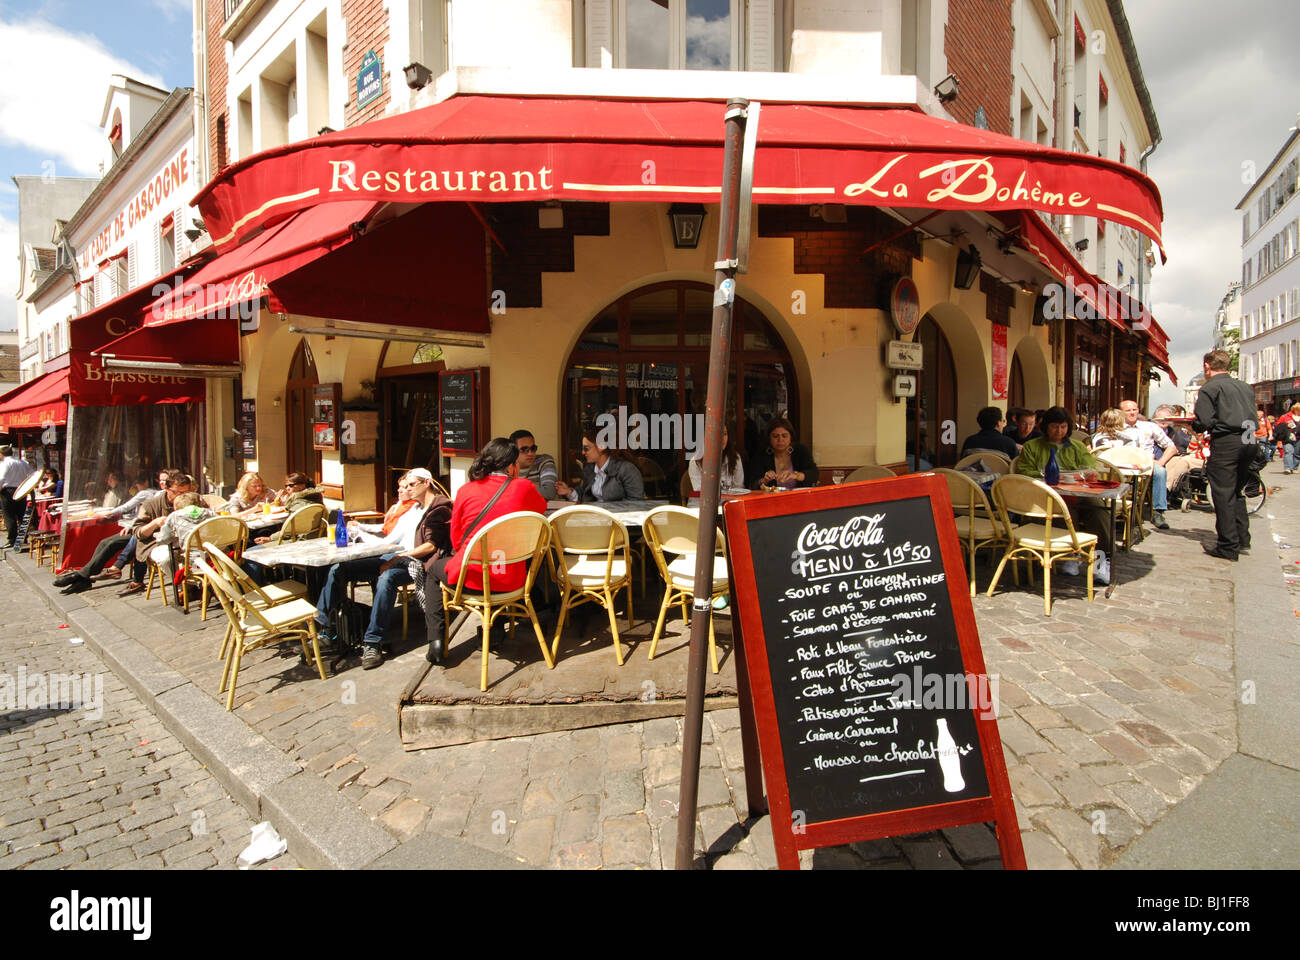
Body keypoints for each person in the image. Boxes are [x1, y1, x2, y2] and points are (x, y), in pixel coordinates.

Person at [421, 438, 548, 664]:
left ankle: (437, 642)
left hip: (471, 579)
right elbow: (540, 508)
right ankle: (496, 628)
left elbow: (457, 539)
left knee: (432, 570)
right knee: (508, 560)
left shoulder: (466, 490)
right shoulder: (523, 487)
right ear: (511, 466)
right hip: (512, 580)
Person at [314, 470, 438, 670]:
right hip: (394, 555)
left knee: (386, 578)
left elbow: (431, 545)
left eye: (410, 485)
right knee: (339, 568)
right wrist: (361, 531)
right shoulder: (412, 510)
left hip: (414, 561)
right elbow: (389, 540)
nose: (405, 489)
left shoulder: (436, 508)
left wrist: (397, 558)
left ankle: (373, 642)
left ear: (427, 483)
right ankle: (326, 628)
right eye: (404, 486)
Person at [1193, 349, 1258, 560]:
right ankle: (1242, 538)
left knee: (1222, 492)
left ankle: (1228, 546)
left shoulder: (1210, 387)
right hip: (1249, 439)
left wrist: (1193, 424)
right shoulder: (1244, 386)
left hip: (1228, 441)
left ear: (1207, 366)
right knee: (1237, 490)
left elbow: (1203, 421)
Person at [120, 472, 197, 596]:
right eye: (178, 493)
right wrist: (154, 523)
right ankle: (185, 586)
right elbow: (138, 532)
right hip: (157, 543)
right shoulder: (150, 505)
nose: (182, 496)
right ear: (167, 489)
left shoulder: (193, 500)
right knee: (167, 558)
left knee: (210, 551)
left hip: (188, 540)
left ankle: (203, 585)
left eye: (186, 493)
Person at [1118, 399, 1176, 531]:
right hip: (1123, 463)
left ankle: (1158, 512)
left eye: (1135, 409)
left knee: (1160, 471)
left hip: (1146, 463)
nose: (1132, 413)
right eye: (1128, 410)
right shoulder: (1117, 427)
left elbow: (1171, 447)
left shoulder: (1149, 426)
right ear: (1121, 413)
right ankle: (1116, 510)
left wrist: (1160, 462)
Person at [138, 493, 216, 583]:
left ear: (175, 508)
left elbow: (165, 538)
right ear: (197, 504)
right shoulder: (208, 512)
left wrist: (160, 538)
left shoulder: (174, 516)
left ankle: (192, 585)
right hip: (212, 551)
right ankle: (205, 586)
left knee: (191, 567)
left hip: (192, 554)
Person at [555, 431, 645, 502]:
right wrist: (568, 492)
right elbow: (585, 496)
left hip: (619, 522)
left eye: (586, 448)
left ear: (601, 446)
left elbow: (636, 502)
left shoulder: (626, 469)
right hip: (597, 520)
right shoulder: (590, 469)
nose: (583, 452)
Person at [749, 417, 819, 489]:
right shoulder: (762, 455)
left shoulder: (800, 450)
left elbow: (814, 474)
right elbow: (752, 483)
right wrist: (764, 480)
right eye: (775, 436)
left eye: (784, 436)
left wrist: (796, 475)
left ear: (790, 437)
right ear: (769, 438)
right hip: (771, 498)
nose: (780, 440)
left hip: (798, 496)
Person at [687, 424, 747, 504]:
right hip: (706, 507)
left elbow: (739, 488)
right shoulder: (695, 461)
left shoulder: (735, 457)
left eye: (725, 434)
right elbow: (700, 492)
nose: (722, 439)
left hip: (730, 505)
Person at [0, 445, 35, 548]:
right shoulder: (23, 462)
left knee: (9, 516)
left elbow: (1, 479)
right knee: (21, 515)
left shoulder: (5, 464)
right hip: (21, 490)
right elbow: (31, 475)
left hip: (8, 491)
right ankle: (23, 537)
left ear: (1, 454)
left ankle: (12, 540)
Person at [510, 429, 560, 501]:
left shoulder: (544, 461)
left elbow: (549, 492)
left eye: (533, 448)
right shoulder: (506, 466)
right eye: (524, 449)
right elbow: (503, 493)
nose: (530, 453)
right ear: (513, 451)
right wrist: (533, 486)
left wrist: (515, 486)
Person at [1274, 402, 1300, 474]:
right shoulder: (1285, 416)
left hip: (1298, 438)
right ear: (1295, 409)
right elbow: (1277, 426)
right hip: (1287, 437)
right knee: (1288, 451)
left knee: (1297, 453)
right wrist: (1286, 425)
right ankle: (1288, 468)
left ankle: (1294, 468)